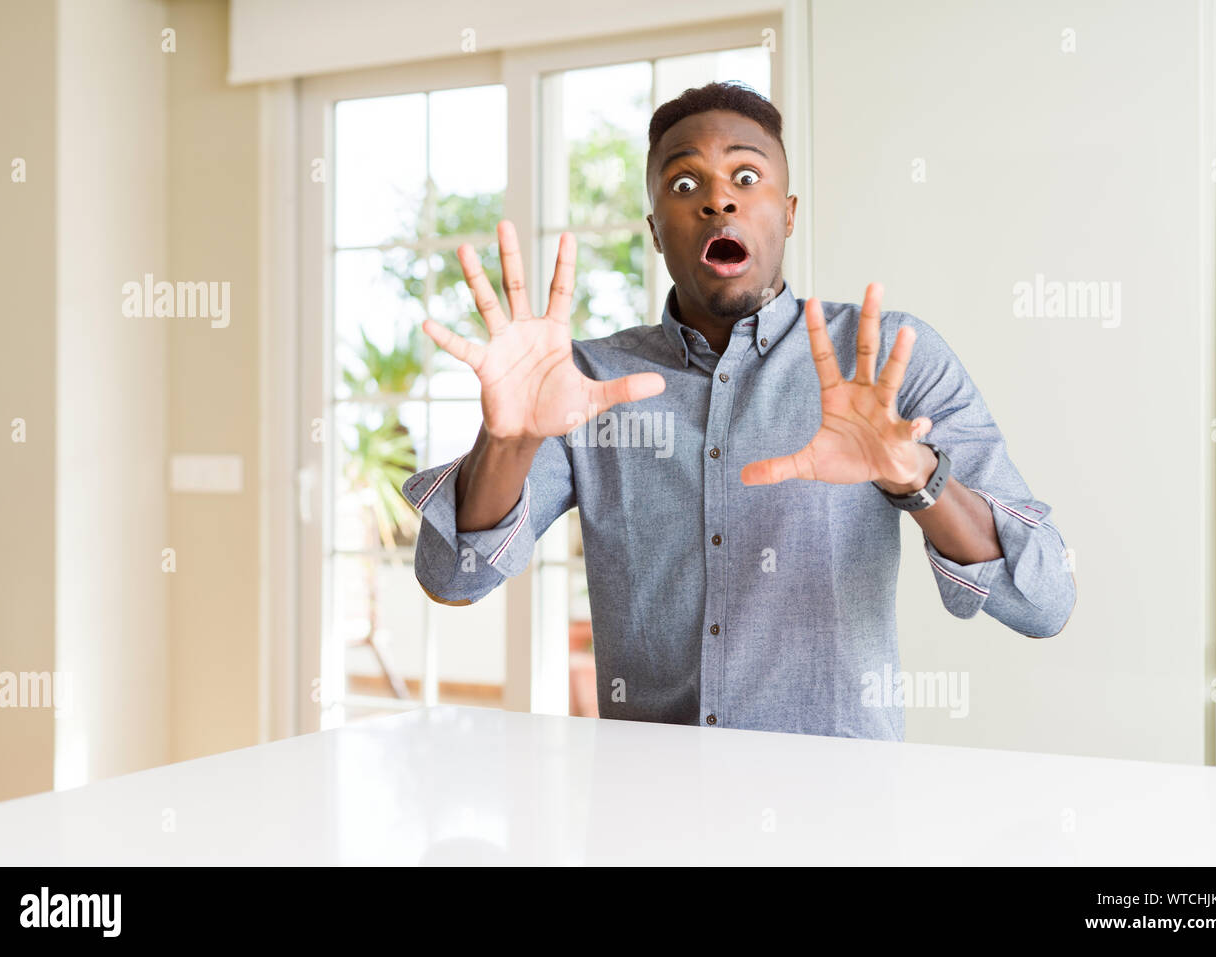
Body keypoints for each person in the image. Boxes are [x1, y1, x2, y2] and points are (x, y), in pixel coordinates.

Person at [401, 81, 1076, 740]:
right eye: (684, 184)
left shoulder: (891, 359)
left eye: (746, 176)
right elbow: (451, 578)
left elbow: (1044, 599)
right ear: (656, 232)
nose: (718, 198)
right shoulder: (586, 381)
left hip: (840, 818)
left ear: (787, 212)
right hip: (651, 818)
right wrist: (508, 438)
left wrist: (915, 475)